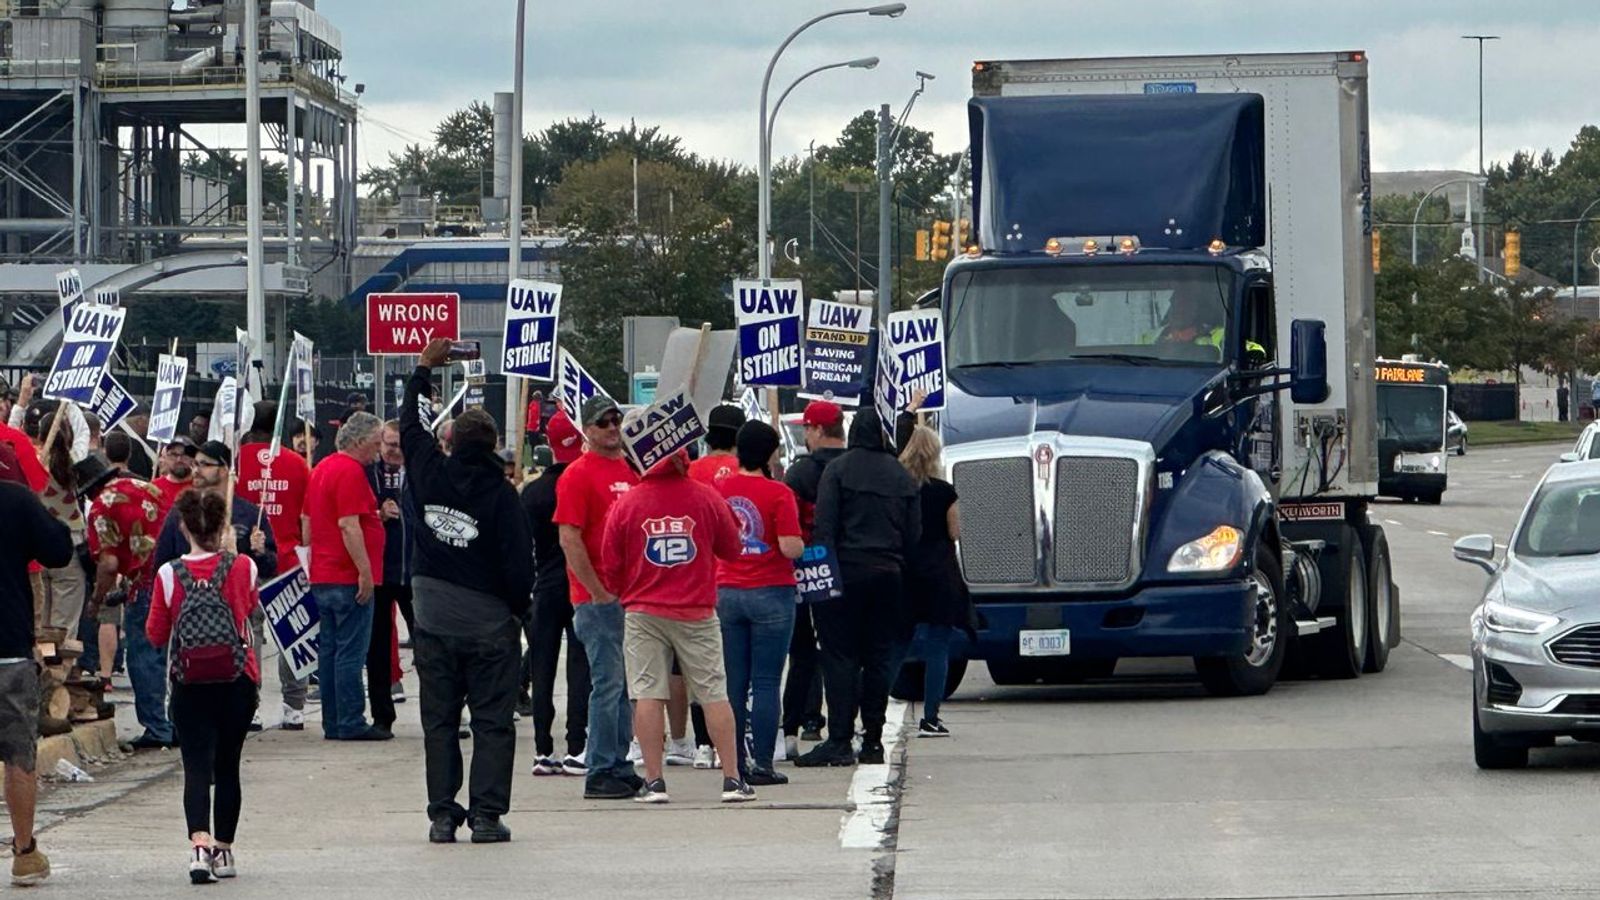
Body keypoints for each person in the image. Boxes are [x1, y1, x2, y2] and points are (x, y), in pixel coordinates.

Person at [402, 339, 532, 844]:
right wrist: (518, 614)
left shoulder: (428, 471)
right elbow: (519, 565)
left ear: (451, 440)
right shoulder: (503, 496)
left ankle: (440, 814)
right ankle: (486, 815)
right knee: (492, 723)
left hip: (432, 617)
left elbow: (410, 426)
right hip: (488, 624)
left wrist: (422, 370)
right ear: (494, 443)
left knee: (439, 721)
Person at [599, 444, 753, 804]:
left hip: (643, 610)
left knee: (648, 693)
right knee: (714, 692)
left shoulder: (629, 502)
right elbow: (733, 548)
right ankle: (732, 778)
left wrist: (626, 590)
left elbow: (610, 561)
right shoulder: (706, 497)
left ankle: (654, 781)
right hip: (696, 608)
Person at [146, 491, 261, 885]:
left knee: (196, 768)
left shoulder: (167, 574)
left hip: (188, 682)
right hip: (237, 679)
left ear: (183, 527)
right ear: (222, 526)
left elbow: (156, 634)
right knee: (228, 766)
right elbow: (247, 610)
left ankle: (199, 845)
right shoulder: (243, 566)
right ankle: (224, 851)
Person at [795, 409, 920, 768]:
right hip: (889, 574)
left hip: (845, 574)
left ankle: (838, 738)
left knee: (839, 657)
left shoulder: (838, 470)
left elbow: (825, 527)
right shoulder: (901, 475)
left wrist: (824, 578)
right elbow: (914, 535)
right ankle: (874, 741)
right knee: (878, 658)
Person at [152, 442, 275, 731]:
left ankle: (249, 700)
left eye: (205, 464)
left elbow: (269, 566)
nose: (196, 469)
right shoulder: (180, 514)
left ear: (225, 469)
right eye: (195, 463)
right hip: (190, 623)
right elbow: (162, 560)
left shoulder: (248, 513)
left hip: (237, 613)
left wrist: (258, 551)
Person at [554, 395, 640, 800]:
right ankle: (600, 767)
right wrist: (596, 590)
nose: (611, 427)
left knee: (624, 686)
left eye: (615, 420)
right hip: (597, 597)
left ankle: (619, 762)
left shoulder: (632, 470)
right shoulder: (576, 475)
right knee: (607, 683)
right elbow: (569, 537)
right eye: (603, 422)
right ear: (587, 430)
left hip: (632, 595)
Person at [715, 421, 803, 785]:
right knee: (766, 681)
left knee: (733, 683)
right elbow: (789, 546)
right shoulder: (779, 493)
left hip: (726, 591)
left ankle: (734, 765)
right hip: (771, 590)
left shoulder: (717, 489)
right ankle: (764, 763)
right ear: (769, 452)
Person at [0, 468, 73, 885]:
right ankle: (25, 853)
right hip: (8, 648)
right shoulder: (16, 499)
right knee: (18, 758)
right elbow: (59, 551)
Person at [305, 412, 389, 742]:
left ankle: (334, 719)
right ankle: (351, 718)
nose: (378, 450)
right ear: (357, 442)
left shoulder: (322, 468)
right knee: (350, 652)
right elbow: (348, 524)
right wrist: (365, 572)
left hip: (323, 572)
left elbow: (308, 518)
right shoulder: (351, 471)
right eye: (375, 442)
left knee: (330, 651)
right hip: (345, 574)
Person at [81, 455, 174, 749]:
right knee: (176, 657)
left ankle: (157, 727)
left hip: (145, 583)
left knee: (144, 656)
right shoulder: (146, 486)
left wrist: (97, 600)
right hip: (178, 573)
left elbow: (108, 564)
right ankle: (180, 723)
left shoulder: (101, 506)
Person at [674, 403, 747, 767]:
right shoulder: (745, 470)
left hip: (698, 576)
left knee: (694, 670)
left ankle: (702, 742)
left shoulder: (694, 472)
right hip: (739, 573)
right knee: (727, 669)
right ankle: (730, 741)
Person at [522, 410, 590, 778]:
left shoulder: (532, 492)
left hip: (544, 585)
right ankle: (576, 744)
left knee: (542, 665)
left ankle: (542, 748)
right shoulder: (585, 483)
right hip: (581, 582)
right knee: (581, 665)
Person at [235, 403, 311, 728]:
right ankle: (294, 708)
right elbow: (307, 516)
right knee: (292, 635)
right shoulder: (298, 464)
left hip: (246, 562)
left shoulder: (235, 464)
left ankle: (249, 706)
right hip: (289, 561)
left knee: (248, 635)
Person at [780, 401, 846, 756]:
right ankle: (843, 726)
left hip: (807, 568)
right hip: (850, 569)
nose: (805, 435)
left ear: (818, 430)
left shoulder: (800, 474)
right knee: (842, 652)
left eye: (807, 428)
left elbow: (789, 523)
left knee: (802, 652)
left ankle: (796, 725)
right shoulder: (857, 467)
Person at [898, 425, 972, 737]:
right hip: (940, 572)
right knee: (938, 646)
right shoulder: (945, 491)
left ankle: (871, 714)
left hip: (905, 572)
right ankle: (930, 717)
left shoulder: (899, 489)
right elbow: (955, 532)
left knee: (897, 643)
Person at [365, 420, 411, 735]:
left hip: (413, 570)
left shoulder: (420, 472)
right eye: (389, 443)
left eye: (399, 444)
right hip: (379, 570)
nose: (394, 450)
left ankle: (447, 712)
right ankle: (382, 717)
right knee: (377, 647)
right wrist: (377, 513)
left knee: (432, 645)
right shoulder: (369, 473)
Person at [152, 437, 197, 511]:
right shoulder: (153, 488)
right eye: (174, 454)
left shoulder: (201, 488)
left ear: (193, 458)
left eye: (185, 455)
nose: (179, 459)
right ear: (166, 457)